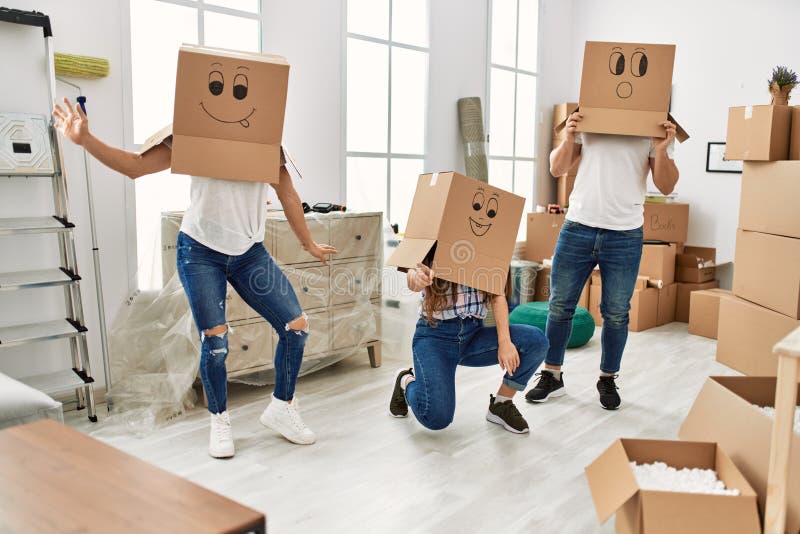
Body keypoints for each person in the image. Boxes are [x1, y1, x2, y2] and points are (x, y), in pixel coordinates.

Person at [53, 98, 337, 458]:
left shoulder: (267, 146)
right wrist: (85, 140)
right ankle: (219, 420)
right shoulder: (196, 136)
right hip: (201, 251)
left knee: (296, 325)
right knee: (216, 344)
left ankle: (282, 406)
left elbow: (288, 195)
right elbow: (135, 167)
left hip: (249, 252)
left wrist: (308, 242)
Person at [525, 113, 679, 410]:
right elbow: (557, 168)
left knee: (617, 312)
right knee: (560, 306)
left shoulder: (654, 125)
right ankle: (551, 375)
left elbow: (667, 185)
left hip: (625, 234)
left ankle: (607, 378)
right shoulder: (589, 115)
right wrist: (569, 137)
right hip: (578, 227)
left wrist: (661, 150)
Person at [389, 262, 549, 434]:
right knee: (436, 418)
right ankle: (405, 380)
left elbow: (497, 296)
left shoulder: (486, 243)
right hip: (435, 336)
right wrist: (418, 277)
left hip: (473, 334)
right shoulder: (434, 242)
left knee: (536, 341)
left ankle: (502, 404)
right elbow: (412, 278)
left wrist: (504, 342)